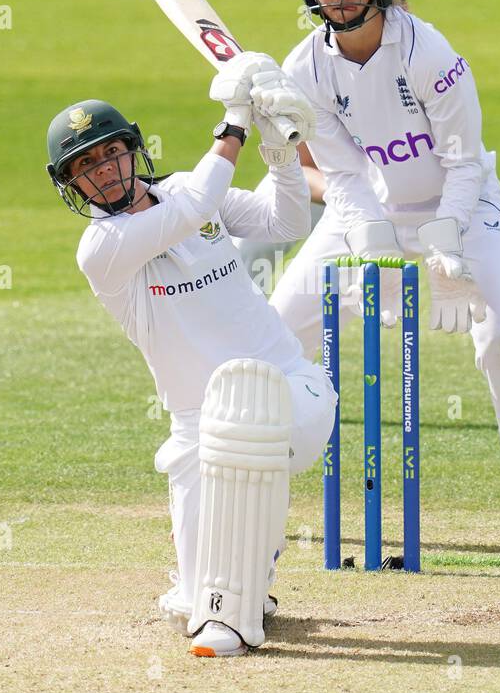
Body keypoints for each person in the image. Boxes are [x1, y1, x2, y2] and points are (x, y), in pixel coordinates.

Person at [267, 0, 500, 549]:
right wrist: (366, 233)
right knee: (275, 330)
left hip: (467, 208)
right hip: (377, 208)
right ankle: (260, 490)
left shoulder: (429, 54)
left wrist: (446, 243)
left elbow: (463, 162)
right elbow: (342, 172)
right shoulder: (306, 69)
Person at [44, 52, 332, 656]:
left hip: (289, 385)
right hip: (197, 420)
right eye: (85, 166)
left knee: (247, 439)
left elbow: (285, 221)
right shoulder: (102, 248)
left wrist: (279, 150)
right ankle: (234, 589)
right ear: (72, 186)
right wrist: (234, 120)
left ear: (132, 148)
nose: (103, 170)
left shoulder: (181, 190)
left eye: (108, 152)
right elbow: (198, 205)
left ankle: (237, 604)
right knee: (196, 589)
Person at [232, 0, 500, 424]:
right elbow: (306, 168)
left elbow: (460, 163)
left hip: (439, 197)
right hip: (352, 199)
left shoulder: (421, 57)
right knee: (262, 222)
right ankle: (239, 359)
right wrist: (355, 209)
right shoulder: (319, 67)